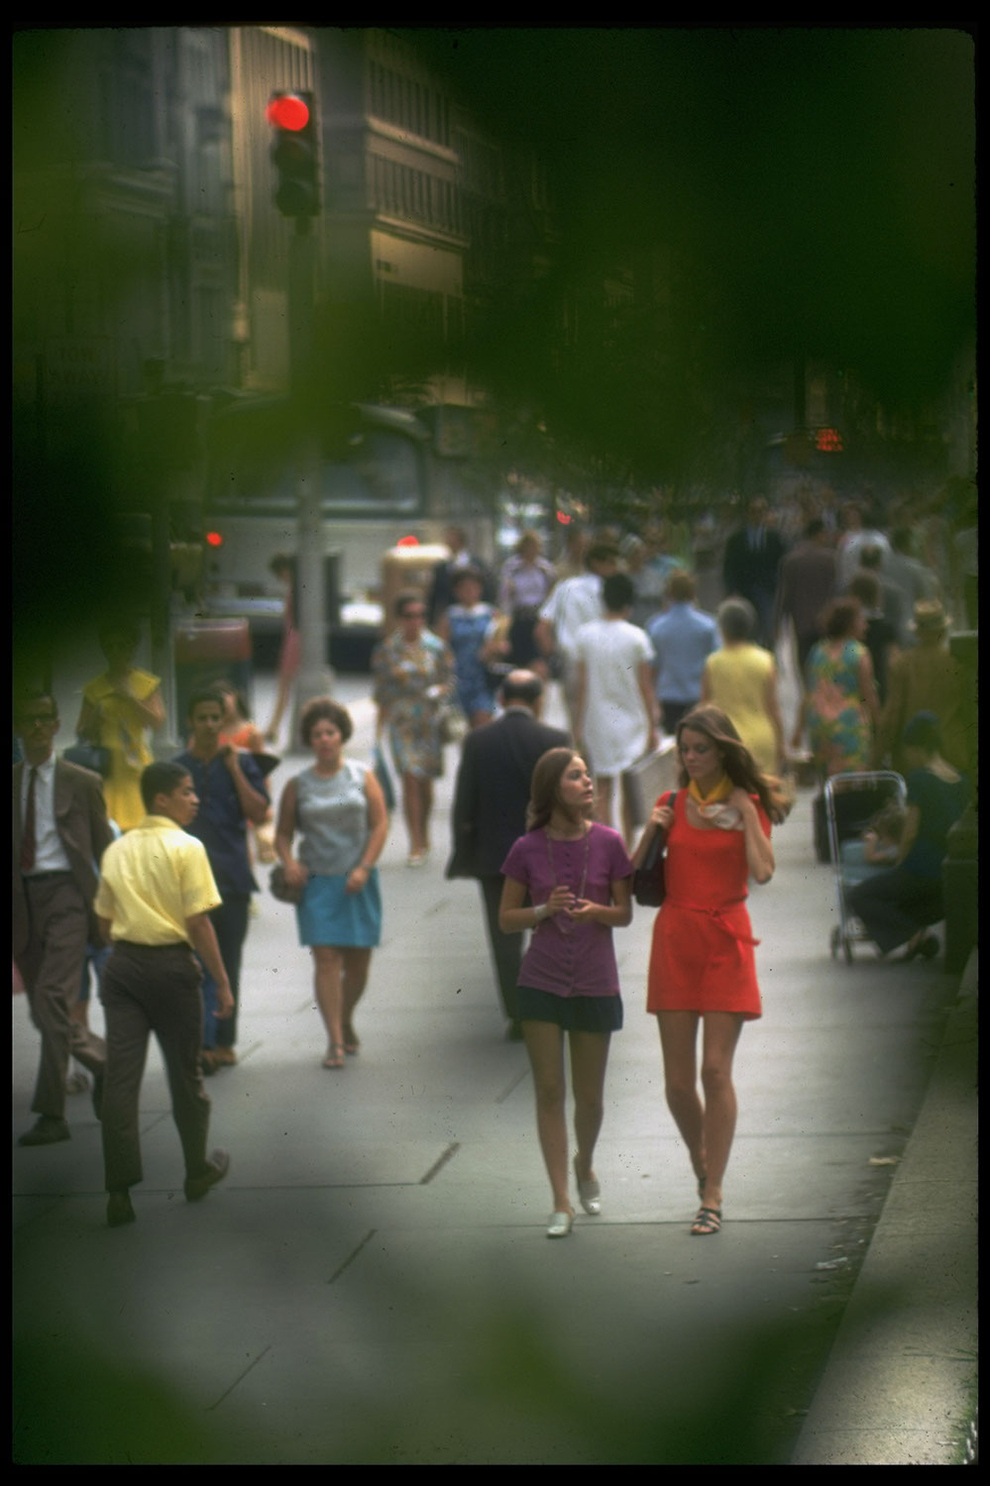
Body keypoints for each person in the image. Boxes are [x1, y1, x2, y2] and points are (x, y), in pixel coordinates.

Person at [631, 705, 778, 1237]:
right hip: (676, 938)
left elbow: (762, 871)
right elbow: (633, 874)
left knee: (714, 1071)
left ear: (723, 751)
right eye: (685, 750)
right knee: (677, 1084)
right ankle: (701, 1161)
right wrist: (651, 831)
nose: (691, 758)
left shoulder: (747, 805)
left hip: (726, 937)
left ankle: (712, 1192)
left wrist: (745, 813)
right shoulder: (671, 803)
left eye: (701, 749)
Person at [499, 749, 633, 1238]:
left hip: (595, 980)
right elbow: (506, 919)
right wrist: (543, 910)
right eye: (576, 776)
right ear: (554, 788)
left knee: (590, 1099)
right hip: (541, 979)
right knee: (550, 1090)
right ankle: (560, 1201)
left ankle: (584, 1161)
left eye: (588, 775)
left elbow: (625, 914)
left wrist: (596, 911)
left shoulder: (611, 842)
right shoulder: (526, 848)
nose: (588, 782)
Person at [94, 761, 233, 1227]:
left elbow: (103, 922)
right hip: (172, 970)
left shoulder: (117, 848)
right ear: (162, 800)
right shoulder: (187, 847)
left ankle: (118, 1192)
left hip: (123, 969)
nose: (195, 799)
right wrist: (222, 982)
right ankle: (195, 1170)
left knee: (121, 1080)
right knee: (185, 1074)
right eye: (187, 792)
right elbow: (198, 922)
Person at [13, 689, 114, 1146]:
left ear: (56, 725)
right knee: (43, 1010)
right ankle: (107, 1064)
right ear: (18, 728)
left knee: (53, 996)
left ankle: (52, 1117)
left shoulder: (82, 781)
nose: (37, 726)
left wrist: (111, 909)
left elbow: (106, 852)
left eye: (44, 718)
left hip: (69, 898)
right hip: (21, 903)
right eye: (28, 719)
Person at [446, 671, 570, 1040]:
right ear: (538, 701)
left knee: (504, 939)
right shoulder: (555, 740)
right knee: (552, 932)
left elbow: (464, 801)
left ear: (501, 699)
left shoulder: (477, 740)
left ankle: (518, 1016)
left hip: (495, 858)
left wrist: (464, 852)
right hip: (548, 855)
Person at [275, 699, 387, 1067]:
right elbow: (282, 834)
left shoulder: (362, 776)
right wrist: (289, 862)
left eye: (330, 732)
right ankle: (335, 1040)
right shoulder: (298, 784)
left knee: (357, 965)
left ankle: (345, 1017)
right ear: (309, 740)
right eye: (317, 734)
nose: (324, 739)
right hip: (317, 883)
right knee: (325, 960)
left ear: (341, 736)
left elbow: (380, 824)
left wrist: (365, 867)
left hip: (357, 881)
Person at [174, 687, 271, 1072]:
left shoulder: (241, 762)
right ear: (191, 722)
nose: (211, 724)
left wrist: (233, 770)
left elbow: (259, 813)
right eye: (203, 718)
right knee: (192, 965)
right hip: (186, 882)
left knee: (227, 963)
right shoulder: (178, 769)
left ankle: (224, 1042)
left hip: (231, 879)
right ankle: (201, 1043)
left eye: (217, 717)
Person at [846, 713, 970, 960]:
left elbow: (911, 831)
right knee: (911, 903)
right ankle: (916, 938)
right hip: (950, 870)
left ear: (917, 748)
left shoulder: (920, 779)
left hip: (922, 867)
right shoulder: (962, 781)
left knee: (860, 895)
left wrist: (900, 863)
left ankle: (914, 935)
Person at [573, 572, 658, 845]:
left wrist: (577, 726)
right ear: (629, 603)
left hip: (597, 719)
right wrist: (653, 726)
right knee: (631, 789)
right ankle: (628, 847)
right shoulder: (637, 637)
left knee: (601, 787)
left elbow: (582, 687)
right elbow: (646, 686)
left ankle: (604, 848)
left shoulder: (585, 636)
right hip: (633, 720)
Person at [371, 590, 455, 866]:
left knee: (426, 782)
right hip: (401, 721)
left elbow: (449, 681)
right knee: (409, 777)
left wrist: (439, 691)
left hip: (429, 721)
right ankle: (415, 843)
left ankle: (425, 832)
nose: (415, 621)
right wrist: (378, 733)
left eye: (420, 615)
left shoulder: (436, 647)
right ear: (399, 618)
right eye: (409, 615)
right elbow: (381, 692)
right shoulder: (387, 650)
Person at [76, 617, 166, 831]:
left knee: (141, 823)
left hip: (136, 763)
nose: (115, 651)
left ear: (131, 648)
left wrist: (130, 698)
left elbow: (157, 722)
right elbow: (81, 732)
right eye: (110, 646)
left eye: (121, 646)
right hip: (106, 765)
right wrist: (95, 719)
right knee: (108, 825)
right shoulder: (95, 688)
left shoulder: (146, 683)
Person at [873, 599, 972, 778]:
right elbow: (968, 710)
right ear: (943, 630)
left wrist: (875, 759)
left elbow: (892, 716)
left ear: (917, 632)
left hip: (913, 759)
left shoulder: (902, 664)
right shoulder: (959, 662)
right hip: (953, 756)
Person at [535, 541, 620, 730]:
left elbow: (542, 628)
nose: (616, 569)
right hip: (603, 662)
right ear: (597, 563)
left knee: (576, 722)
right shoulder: (610, 590)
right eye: (611, 563)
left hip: (571, 662)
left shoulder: (565, 587)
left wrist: (553, 655)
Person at [791, 597, 880, 777]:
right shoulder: (858, 652)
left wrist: (798, 730)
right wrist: (880, 726)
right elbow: (869, 695)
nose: (865, 625)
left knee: (828, 782)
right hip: (849, 727)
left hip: (819, 728)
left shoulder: (818, 650)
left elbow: (809, 693)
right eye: (860, 621)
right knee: (852, 783)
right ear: (850, 624)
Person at [701, 598, 785, 777]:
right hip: (762, 738)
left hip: (725, 739)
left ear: (722, 629)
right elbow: (773, 707)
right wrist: (781, 744)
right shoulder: (765, 660)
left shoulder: (713, 662)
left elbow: (705, 707)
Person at [646, 570, 720, 739]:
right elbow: (715, 663)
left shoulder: (656, 627)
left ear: (669, 594)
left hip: (668, 697)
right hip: (698, 696)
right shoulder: (707, 626)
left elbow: (653, 667)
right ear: (693, 593)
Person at [436, 567, 502, 729]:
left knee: (482, 725)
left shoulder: (490, 614)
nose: (470, 591)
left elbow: (501, 641)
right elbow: (441, 648)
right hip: (458, 677)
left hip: (482, 678)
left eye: (474, 587)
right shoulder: (450, 616)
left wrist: (493, 649)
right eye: (464, 588)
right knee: (459, 728)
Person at [721, 497, 787, 651]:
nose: (757, 515)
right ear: (748, 514)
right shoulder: (736, 540)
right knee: (747, 631)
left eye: (761, 511)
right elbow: (729, 567)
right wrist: (731, 591)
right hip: (744, 591)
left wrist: (781, 588)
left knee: (769, 630)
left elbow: (782, 564)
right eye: (754, 511)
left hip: (768, 591)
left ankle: (769, 658)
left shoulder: (774, 538)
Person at [775, 518, 838, 677]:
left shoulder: (791, 560)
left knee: (803, 660)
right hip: (826, 620)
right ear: (819, 534)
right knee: (827, 661)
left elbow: (785, 594)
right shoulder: (830, 559)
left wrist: (779, 622)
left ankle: (806, 689)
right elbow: (836, 591)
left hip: (801, 620)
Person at [497, 530, 557, 674]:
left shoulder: (545, 568)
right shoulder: (512, 567)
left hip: (538, 616)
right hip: (519, 616)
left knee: (539, 659)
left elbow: (552, 592)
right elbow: (504, 595)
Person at [426, 525, 495, 629]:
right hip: (452, 618)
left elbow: (488, 589)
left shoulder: (477, 564)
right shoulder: (441, 567)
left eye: (451, 538)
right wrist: (432, 621)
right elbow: (435, 596)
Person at [847, 571, 898, 706]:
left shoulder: (848, 627)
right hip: (879, 681)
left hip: (851, 684)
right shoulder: (885, 627)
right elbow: (893, 660)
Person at [265, 553, 301, 746]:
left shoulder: (297, 590)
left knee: (284, 685)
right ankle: (273, 727)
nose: (281, 578)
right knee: (285, 686)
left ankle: (273, 728)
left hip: (294, 641)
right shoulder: (298, 589)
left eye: (281, 574)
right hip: (293, 639)